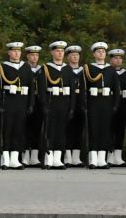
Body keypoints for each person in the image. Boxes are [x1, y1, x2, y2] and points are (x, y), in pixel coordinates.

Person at [0, 41, 30, 170]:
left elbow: (31, 87)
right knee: (7, 130)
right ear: (9, 53)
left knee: (18, 130)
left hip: (21, 102)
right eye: (14, 51)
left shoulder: (25, 67)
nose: (16, 53)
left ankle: (15, 158)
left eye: (18, 51)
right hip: (8, 102)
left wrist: (30, 104)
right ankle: (5, 158)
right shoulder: (3, 67)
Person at [38, 41, 72, 169]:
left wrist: (72, 107)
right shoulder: (46, 68)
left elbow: (72, 91)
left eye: (62, 51)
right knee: (49, 131)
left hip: (64, 103)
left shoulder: (67, 69)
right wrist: (45, 105)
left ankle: (58, 159)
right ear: (52, 52)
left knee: (61, 132)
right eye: (57, 51)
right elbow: (41, 90)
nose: (60, 53)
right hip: (51, 103)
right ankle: (48, 158)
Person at [105, 47, 126, 167]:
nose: (118, 60)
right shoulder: (107, 71)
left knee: (120, 131)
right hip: (109, 104)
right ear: (110, 59)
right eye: (115, 58)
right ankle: (109, 155)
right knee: (109, 130)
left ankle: (118, 155)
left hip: (123, 105)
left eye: (120, 58)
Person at [62, 44, 86, 167]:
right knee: (68, 129)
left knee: (79, 129)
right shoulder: (65, 70)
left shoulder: (84, 71)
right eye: (72, 55)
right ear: (68, 57)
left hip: (80, 102)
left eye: (77, 55)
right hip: (68, 101)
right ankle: (67, 156)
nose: (75, 57)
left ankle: (76, 157)